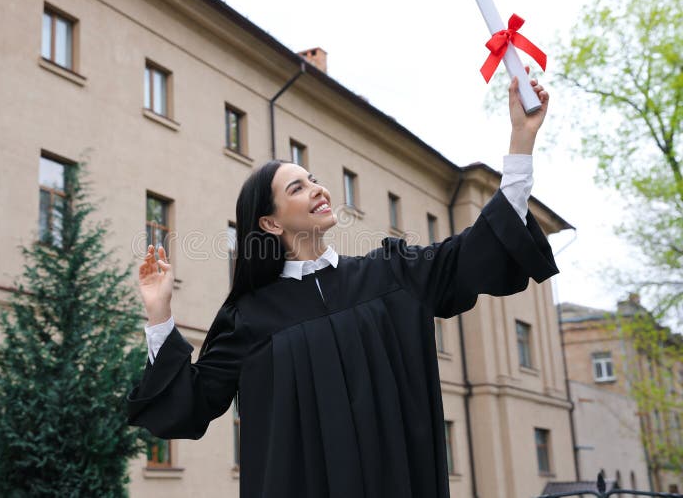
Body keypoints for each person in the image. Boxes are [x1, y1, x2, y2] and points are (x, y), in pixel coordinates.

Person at [126, 72, 557, 498]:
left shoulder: (391, 274)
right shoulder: (250, 319)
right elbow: (189, 405)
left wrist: (521, 141)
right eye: (298, 187)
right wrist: (160, 314)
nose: (318, 189)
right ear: (271, 222)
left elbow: (476, 249)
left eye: (314, 179)